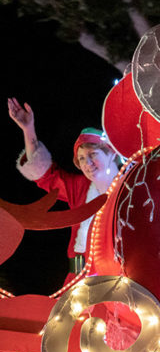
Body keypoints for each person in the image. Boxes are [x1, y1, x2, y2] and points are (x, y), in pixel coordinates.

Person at [8, 97, 118, 276]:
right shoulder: (79, 187)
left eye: (93, 154)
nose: (87, 163)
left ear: (111, 154)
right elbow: (45, 174)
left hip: (119, 280)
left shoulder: (130, 187)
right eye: (81, 158)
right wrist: (28, 130)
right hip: (78, 280)